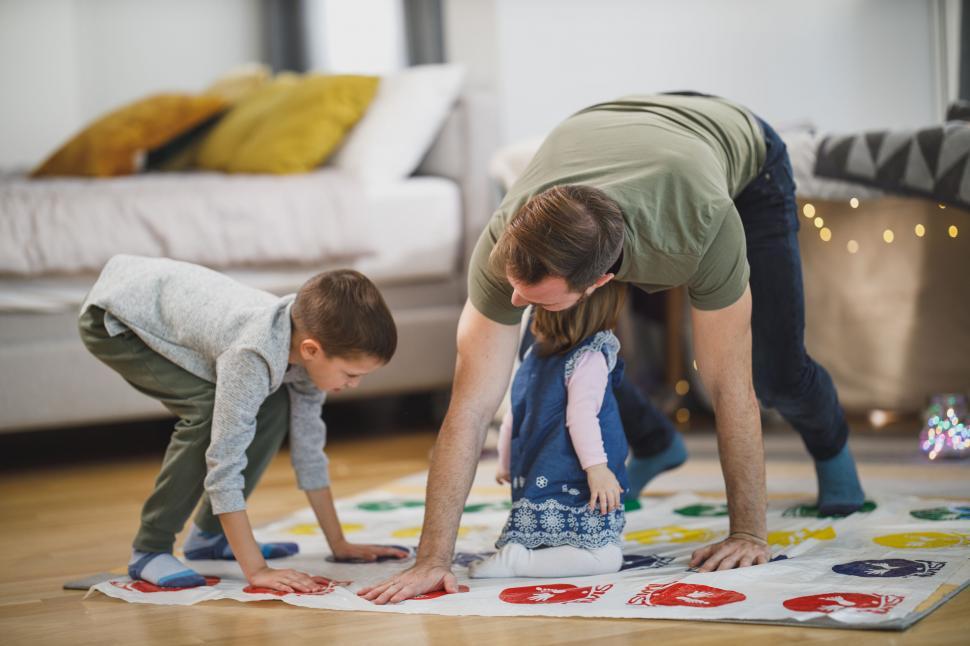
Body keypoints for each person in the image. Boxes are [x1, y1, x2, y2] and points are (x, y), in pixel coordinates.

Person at [359, 93, 865, 604]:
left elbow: (728, 384)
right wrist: (432, 559)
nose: (513, 303)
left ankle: (834, 456)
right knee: (564, 353)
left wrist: (748, 533)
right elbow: (468, 408)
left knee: (774, 371)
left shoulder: (701, 229)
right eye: (514, 286)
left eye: (533, 297)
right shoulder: (502, 248)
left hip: (742, 154)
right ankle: (655, 443)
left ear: (602, 280)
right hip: (608, 127)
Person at [80, 255, 407, 592]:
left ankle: (210, 536)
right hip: (115, 317)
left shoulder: (311, 350)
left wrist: (339, 543)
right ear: (311, 350)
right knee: (208, 415)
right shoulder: (252, 355)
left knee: (274, 403)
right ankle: (150, 548)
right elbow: (224, 463)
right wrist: (257, 570)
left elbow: (309, 452)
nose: (355, 385)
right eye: (351, 374)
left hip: (164, 302)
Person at [469, 282, 629, 578]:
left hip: (534, 475)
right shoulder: (590, 355)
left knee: (551, 539)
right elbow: (581, 415)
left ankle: (525, 552)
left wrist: (506, 461)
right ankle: (518, 562)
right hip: (575, 479)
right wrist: (597, 468)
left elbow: (513, 415)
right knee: (606, 557)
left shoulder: (533, 358)